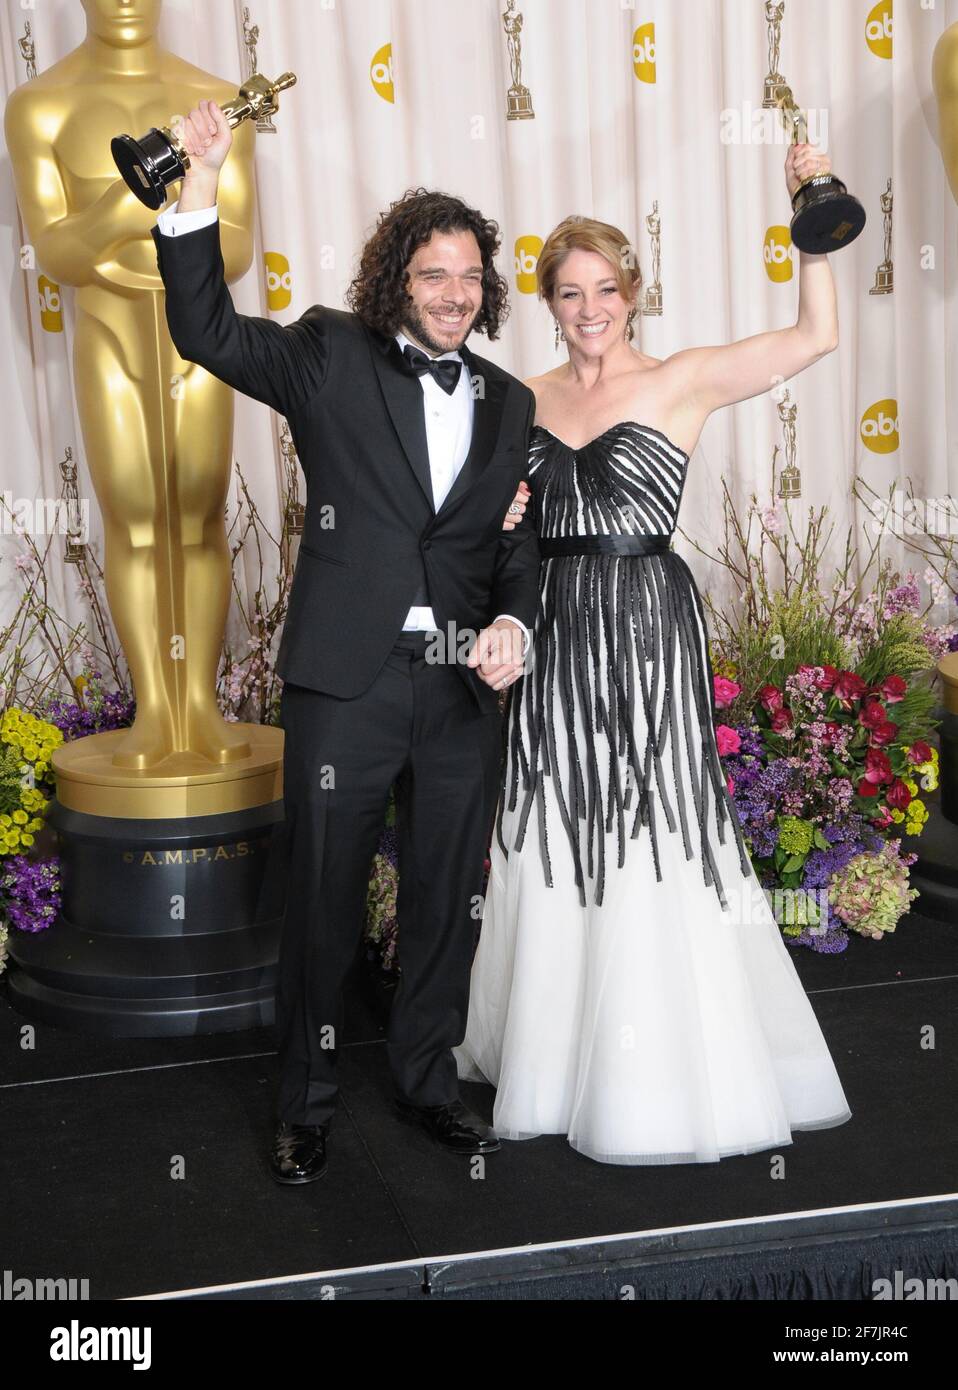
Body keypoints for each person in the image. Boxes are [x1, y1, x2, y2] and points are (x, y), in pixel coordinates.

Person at [151, 100, 540, 1184]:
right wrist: (198, 183)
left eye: (469, 277)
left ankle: (425, 1082)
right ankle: (306, 1103)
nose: (454, 294)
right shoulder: (326, 351)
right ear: (395, 281)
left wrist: (513, 620)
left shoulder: (511, 402)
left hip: (460, 686)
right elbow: (205, 333)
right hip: (343, 686)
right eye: (433, 275)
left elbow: (513, 545)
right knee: (321, 905)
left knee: (442, 901)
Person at [455, 142, 854, 1165]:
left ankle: (653, 1074)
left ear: (632, 293)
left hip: (645, 625)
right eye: (568, 292)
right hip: (552, 623)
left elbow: (817, 334)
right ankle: (549, 1061)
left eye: (605, 289)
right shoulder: (517, 397)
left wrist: (808, 214)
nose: (588, 308)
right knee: (554, 819)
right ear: (547, 300)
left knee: (648, 821)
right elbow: (483, 520)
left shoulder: (680, 380)